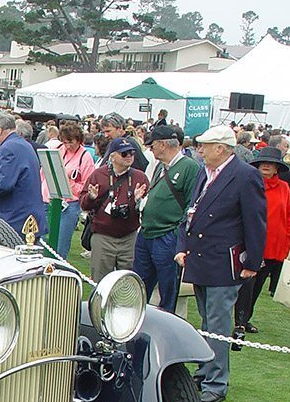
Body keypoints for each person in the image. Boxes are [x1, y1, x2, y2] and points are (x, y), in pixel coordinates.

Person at [175, 124, 267, 402]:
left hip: (224, 263)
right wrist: (183, 247)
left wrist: (252, 261)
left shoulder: (245, 175)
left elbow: (256, 221)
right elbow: (191, 213)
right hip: (202, 258)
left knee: (216, 322)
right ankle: (206, 370)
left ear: (221, 148)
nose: (199, 150)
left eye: (205, 145)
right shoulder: (206, 173)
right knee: (207, 319)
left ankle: (216, 381)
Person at [233, 147, 290, 338]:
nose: (266, 166)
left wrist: (289, 236)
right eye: (263, 162)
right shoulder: (249, 183)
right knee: (247, 283)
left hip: (274, 245)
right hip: (250, 244)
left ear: (277, 168)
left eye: (271, 163)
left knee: (258, 284)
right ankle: (240, 322)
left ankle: (246, 318)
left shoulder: (284, 188)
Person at [135, 125, 199, 311]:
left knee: (167, 287)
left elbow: (191, 205)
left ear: (162, 144)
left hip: (167, 235)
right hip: (148, 233)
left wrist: (178, 235)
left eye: (152, 145)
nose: (150, 149)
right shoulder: (160, 167)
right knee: (140, 284)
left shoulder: (189, 167)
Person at [80, 137, 148, 281]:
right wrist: (91, 197)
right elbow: (84, 205)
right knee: (100, 281)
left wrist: (138, 201)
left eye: (131, 153)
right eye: (124, 153)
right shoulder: (99, 174)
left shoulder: (139, 177)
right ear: (112, 156)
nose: (129, 156)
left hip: (129, 237)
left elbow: (146, 210)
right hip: (103, 236)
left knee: (128, 281)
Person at [0, 111, 47, 236]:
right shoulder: (24, 144)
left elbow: (5, 184)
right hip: (29, 216)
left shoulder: (8, 148)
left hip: (16, 218)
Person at [41, 121, 94, 258]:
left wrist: (68, 182)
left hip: (69, 205)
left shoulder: (85, 157)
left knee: (60, 246)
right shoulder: (58, 150)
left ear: (79, 140)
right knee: (43, 242)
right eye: (65, 142)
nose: (68, 145)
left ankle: (58, 274)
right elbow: (45, 172)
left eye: (71, 142)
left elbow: (86, 187)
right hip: (48, 200)